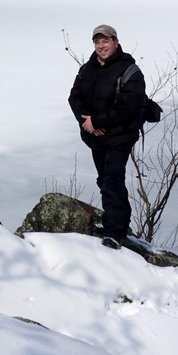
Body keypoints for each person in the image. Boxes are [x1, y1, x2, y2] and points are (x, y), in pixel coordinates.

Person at [68, 24, 146, 249]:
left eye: (105, 41)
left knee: (112, 180)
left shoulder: (129, 70)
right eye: (97, 42)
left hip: (120, 136)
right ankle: (120, 225)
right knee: (104, 180)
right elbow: (75, 97)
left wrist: (98, 122)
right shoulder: (87, 68)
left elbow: (128, 107)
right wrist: (87, 123)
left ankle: (113, 232)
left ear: (115, 42)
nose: (101, 46)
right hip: (96, 136)